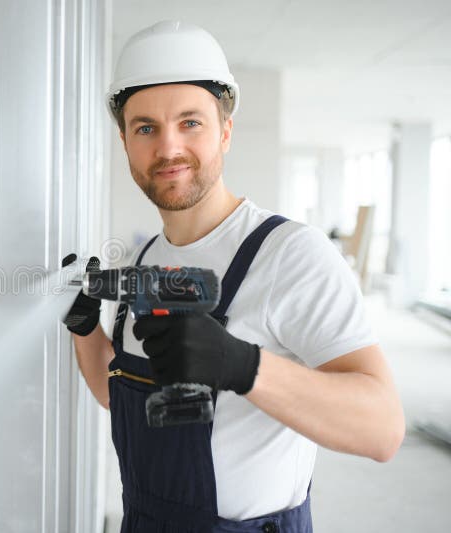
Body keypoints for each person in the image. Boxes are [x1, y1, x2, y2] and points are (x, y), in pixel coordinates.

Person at [64, 20, 404, 533]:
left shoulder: (290, 255)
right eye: (146, 128)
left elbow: (383, 430)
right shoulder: (146, 260)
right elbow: (123, 399)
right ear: (125, 141)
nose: (168, 147)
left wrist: (243, 366)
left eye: (190, 122)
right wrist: (86, 331)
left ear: (225, 129)